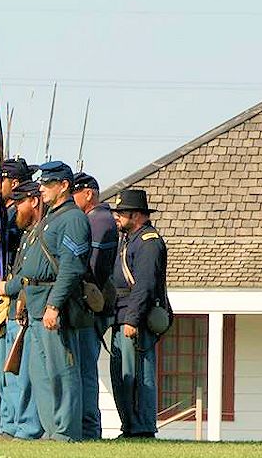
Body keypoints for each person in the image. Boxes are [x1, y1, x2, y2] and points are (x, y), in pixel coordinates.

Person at [18, 161, 91, 441]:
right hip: (36, 301)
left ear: (64, 186)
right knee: (41, 373)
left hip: (53, 303)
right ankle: (51, 430)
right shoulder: (52, 217)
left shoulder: (72, 219)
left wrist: (54, 305)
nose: (42, 189)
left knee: (62, 371)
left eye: (48, 184)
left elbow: (71, 267)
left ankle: (65, 431)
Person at [109, 189, 169, 439]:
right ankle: (130, 426)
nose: (117, 218)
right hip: (122, 314)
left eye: (122, 213)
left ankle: (142, 427)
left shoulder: (148, 242)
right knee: (122, 376)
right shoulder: (130, 240)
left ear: (135, 215)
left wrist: (132, 320)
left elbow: (144, 285)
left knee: (138, 375)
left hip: (135, 317)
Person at [0, 180, 45, 440]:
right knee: (13, 375)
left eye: (20, 202)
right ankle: (18, 424)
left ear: (34, 201)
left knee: (26, 376)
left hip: (27, 307)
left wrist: (10, 287)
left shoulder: (40, 232)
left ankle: (28, 426)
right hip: (17, 306)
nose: (16, 209)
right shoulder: (28, 234)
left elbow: (29, 275)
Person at [72, 171, 119, 440]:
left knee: (85, 370)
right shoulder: (96, 219)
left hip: (90, 303)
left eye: (75, 192)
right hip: (89, 302)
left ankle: (89, 428)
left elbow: (92, 267)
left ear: (88, 193)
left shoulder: (99, 220)